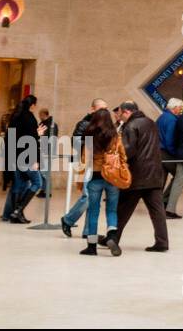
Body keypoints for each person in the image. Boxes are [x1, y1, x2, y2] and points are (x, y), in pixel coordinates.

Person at [111, 101, 170, 252]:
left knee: (123, 209)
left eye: (120, 114)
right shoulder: (151, 122)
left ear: (126, 112)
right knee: (157, 211)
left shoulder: (130, 126)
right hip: (155, 173)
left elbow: (127, 151)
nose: (119, 117)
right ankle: (162, 242)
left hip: (137, 175)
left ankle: (113, 238)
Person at [77, 108, 123, 257]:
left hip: (95, 178)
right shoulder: (115, 135)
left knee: (93, 212)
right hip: (112, 177)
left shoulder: (90, 135)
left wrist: (80, 180)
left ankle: (91, 247)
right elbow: (122, 154)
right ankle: (111, 235)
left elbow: (84, 160)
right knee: (111, 210)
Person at [60, 98, 107, 237]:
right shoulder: (84, 123)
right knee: (88, 196)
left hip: (98, 164)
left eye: (106, 109)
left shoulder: (104, 125)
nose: (104, 112)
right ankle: (68, 220)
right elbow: (76, 142)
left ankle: (88, 231)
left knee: (94, 198)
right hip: (86, 163)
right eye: (101, 109)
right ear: (92, 109)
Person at [4, 95, 45, 224]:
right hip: (26, 157)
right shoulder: (30, 118)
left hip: (14, 156)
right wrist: (35, 159)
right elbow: (30, 140)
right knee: (37, 182)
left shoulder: (15, 117)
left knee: (18, 184)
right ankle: (18, 210)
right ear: (32, 105)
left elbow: (14, 137)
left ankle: (14, 214)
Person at [156, 99, 182, 201]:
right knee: (180, 175)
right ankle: (165, 199)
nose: (180, 110)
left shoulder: (161, 117)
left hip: (158, 152)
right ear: (174, 108)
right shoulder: (172, 120)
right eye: (180, 108)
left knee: (161, 179)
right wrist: (175, 153)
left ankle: (157, 202)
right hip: (167, 152)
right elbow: (169, 140)